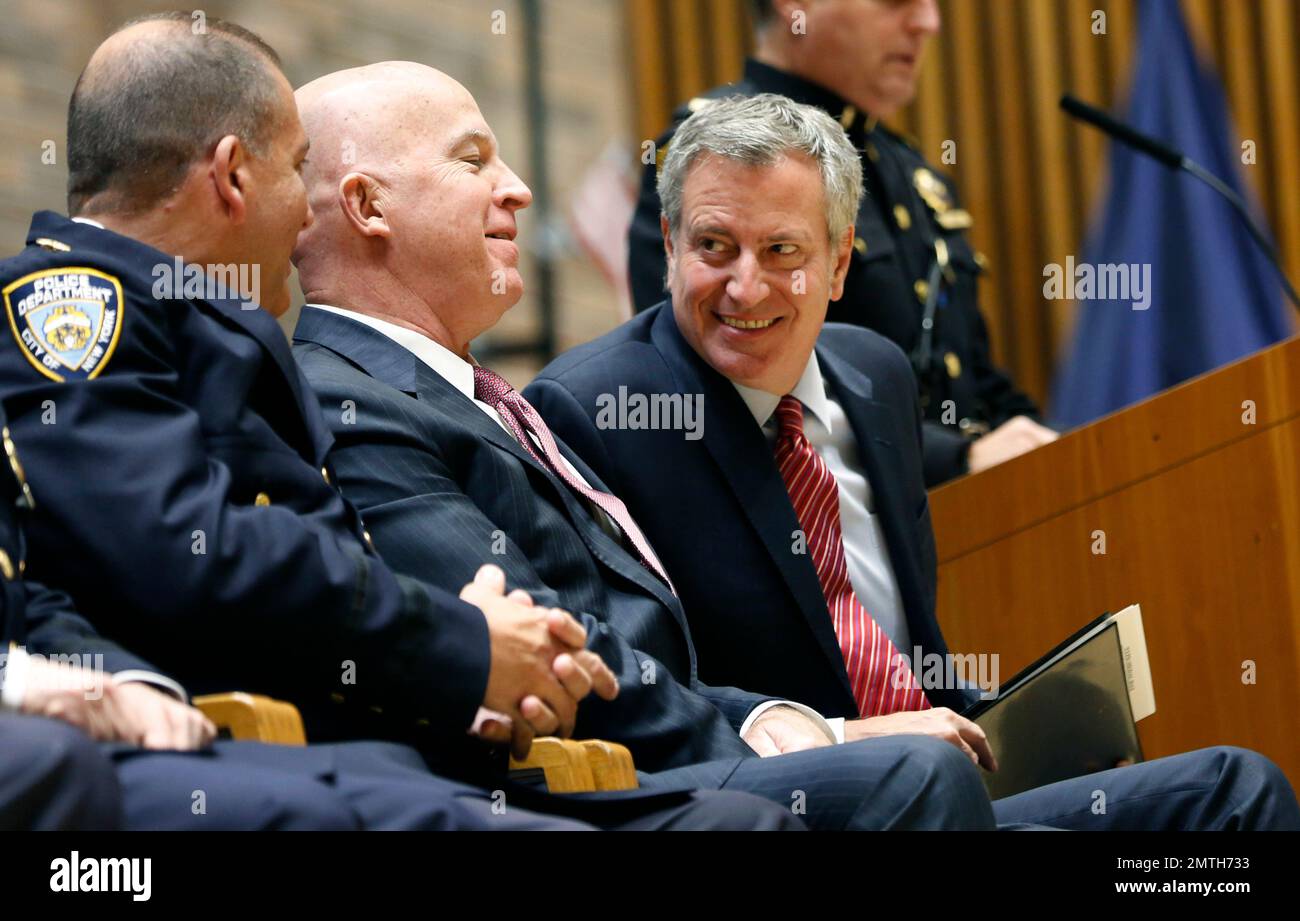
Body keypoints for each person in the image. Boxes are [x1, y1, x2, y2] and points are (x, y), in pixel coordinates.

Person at [0, 12, 802, 833]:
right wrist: (465, 644)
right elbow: (184, 551)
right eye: (298, 168)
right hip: (275, 753)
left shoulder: (188, 324)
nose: (307, 219)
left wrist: (458, 679)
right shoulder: (80, 307)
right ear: (234, 177)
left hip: (369, 740)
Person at [528, 93, 1300, 830]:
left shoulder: (876, 376)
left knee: (1238, 792)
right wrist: (847, 738)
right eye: (713, 246)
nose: (745, 284)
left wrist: (1038, 711)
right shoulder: (594, 410)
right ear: (668, 245)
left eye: (783, 250)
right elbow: (634, 684)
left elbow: (908, 663)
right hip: (809, 802)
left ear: (837, 264)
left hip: (952, 772)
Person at [290, 61, 1001, 831]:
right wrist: (816, 735)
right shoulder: (352, 401)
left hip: (709, 752)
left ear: (838, 261)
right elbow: (548, 650)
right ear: (366, 205)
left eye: (784, 252)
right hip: (602, 792)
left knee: (1148, 801)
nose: (518, 188)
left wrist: (772, 716)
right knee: (919, 774)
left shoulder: (463, 392)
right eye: (473, 160)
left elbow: (632, 647)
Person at [626, 0, 1057, 486]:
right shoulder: (712, 162)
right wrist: (952, 458)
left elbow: (970, 375)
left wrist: (1052, 448)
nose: (926, 22)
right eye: (897, 2)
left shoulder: (910, 175)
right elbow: (717, 382)